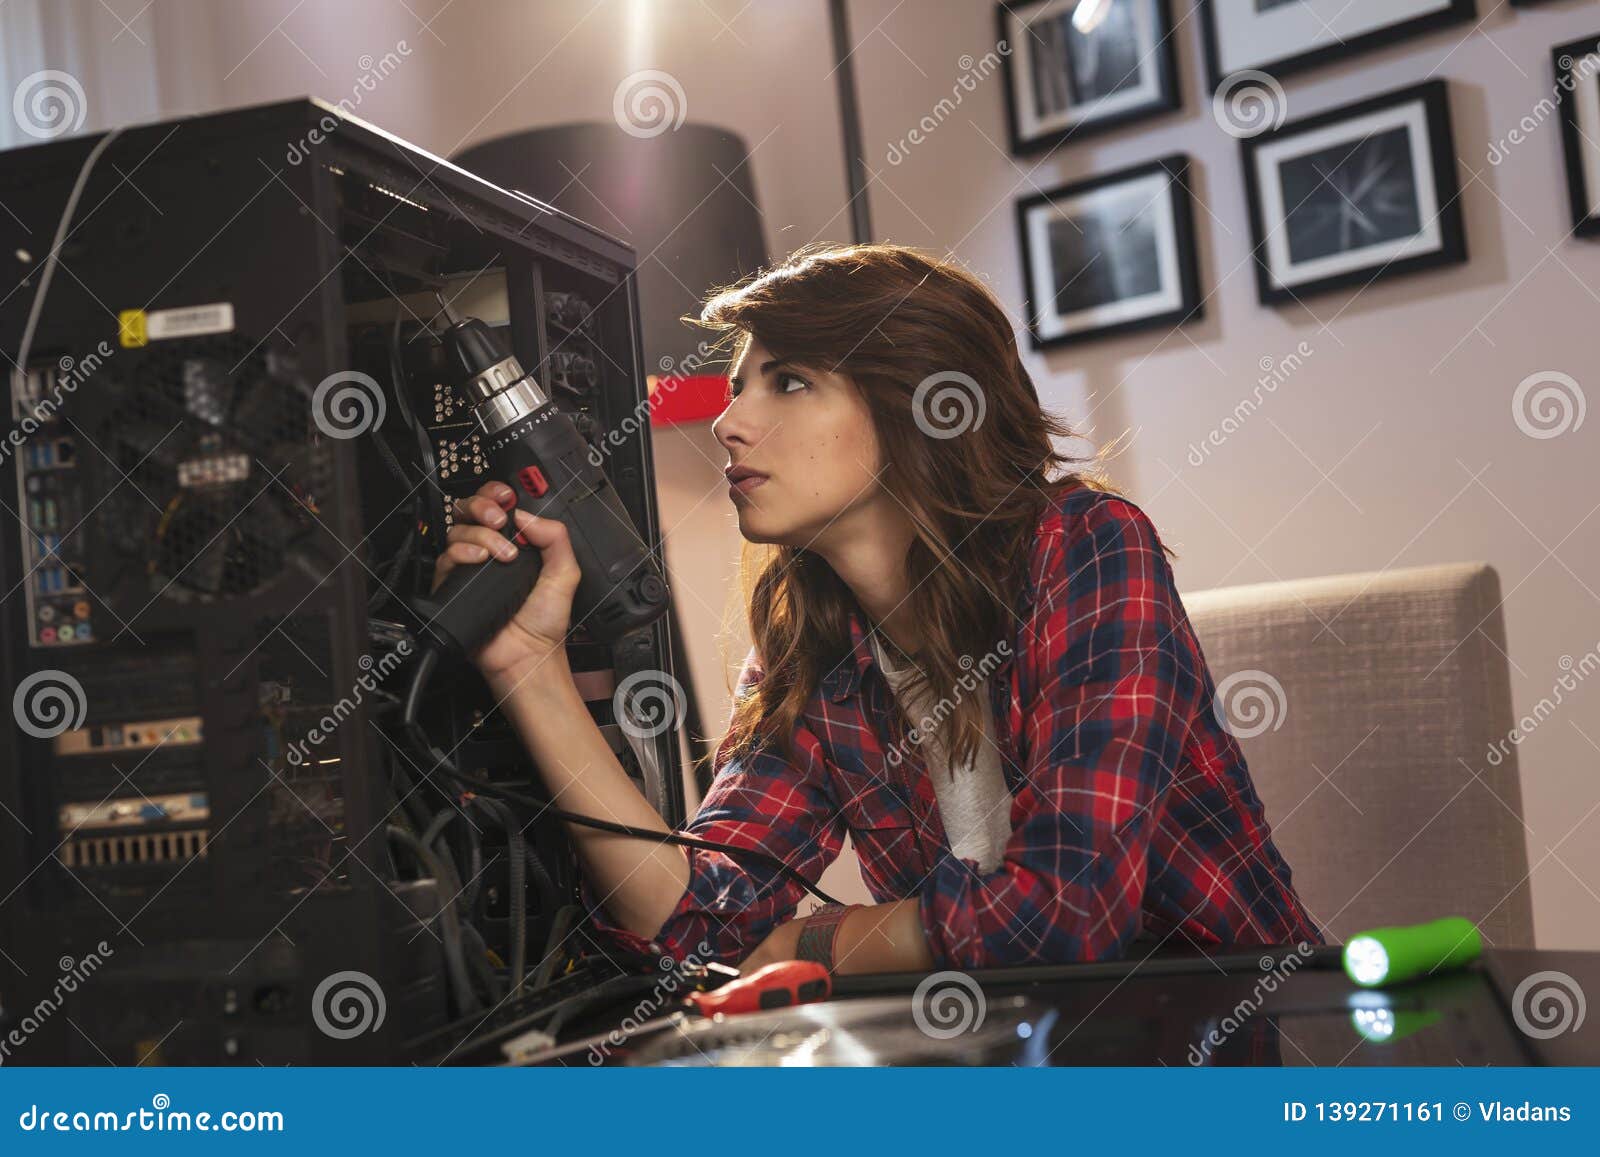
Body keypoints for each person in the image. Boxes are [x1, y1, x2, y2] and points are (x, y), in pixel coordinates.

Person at [432, 242, 1324, 978]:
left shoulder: (1087, 545)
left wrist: (808, 944)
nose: (729, 423)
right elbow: (698, 929)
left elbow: (1066, 915)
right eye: (740, 387)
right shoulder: (810, 638)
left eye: (788, 382)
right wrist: (529, 666)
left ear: (917, 405)